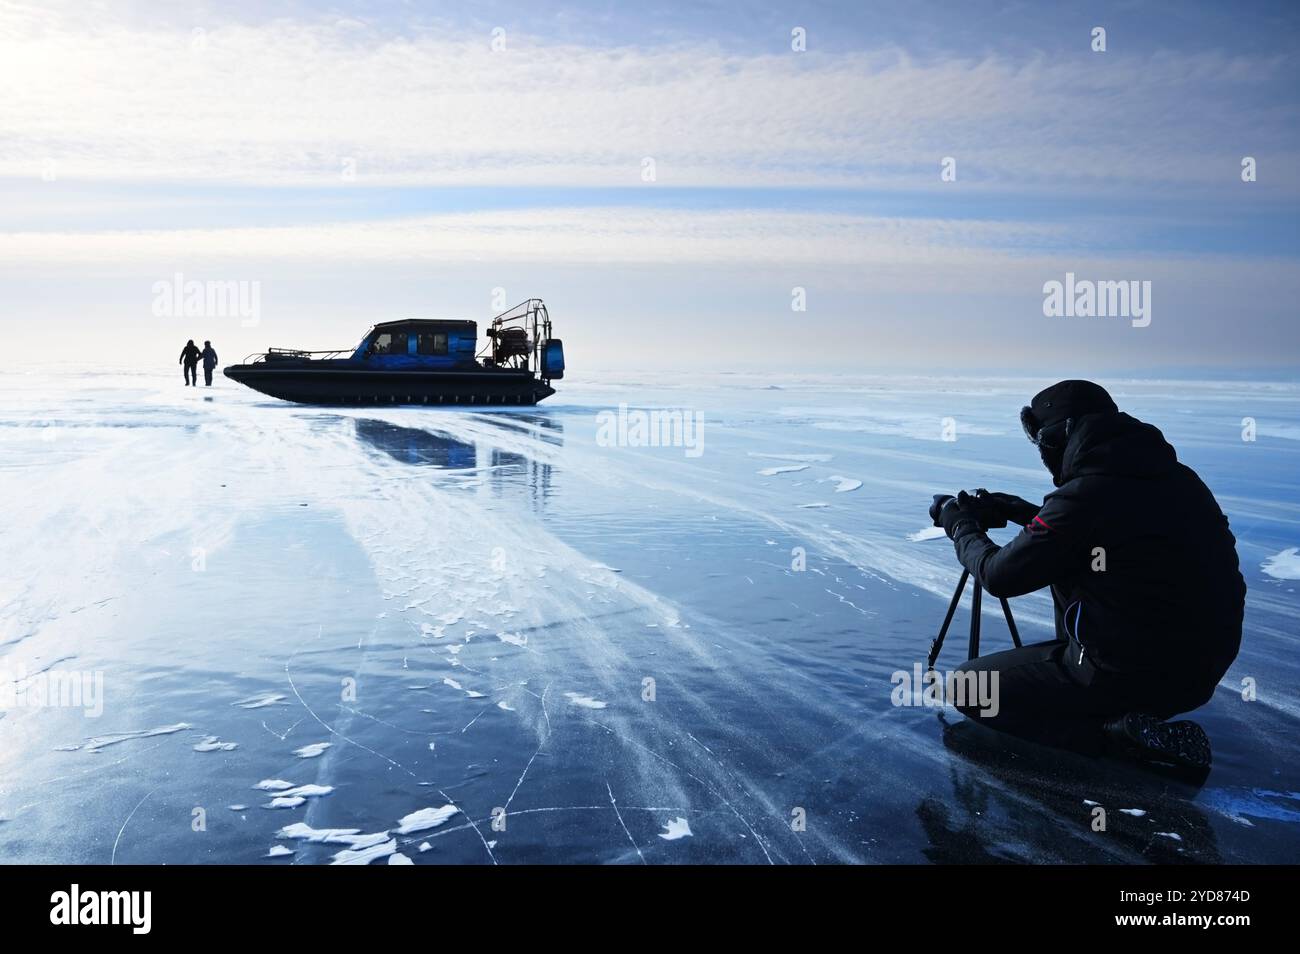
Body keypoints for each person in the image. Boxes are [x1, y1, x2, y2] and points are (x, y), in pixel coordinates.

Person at [933, 380, 1245, 771]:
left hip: (1123, 674)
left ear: (1060, 435)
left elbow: (1000, 576)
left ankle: (1117, 737)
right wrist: (1018, 510)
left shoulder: (1086, 495)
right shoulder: (1179, 479)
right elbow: (1108, 536)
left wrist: (960, 526)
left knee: (970, 687)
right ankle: (1133, 717)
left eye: (1041, 442)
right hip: (1199, 672)